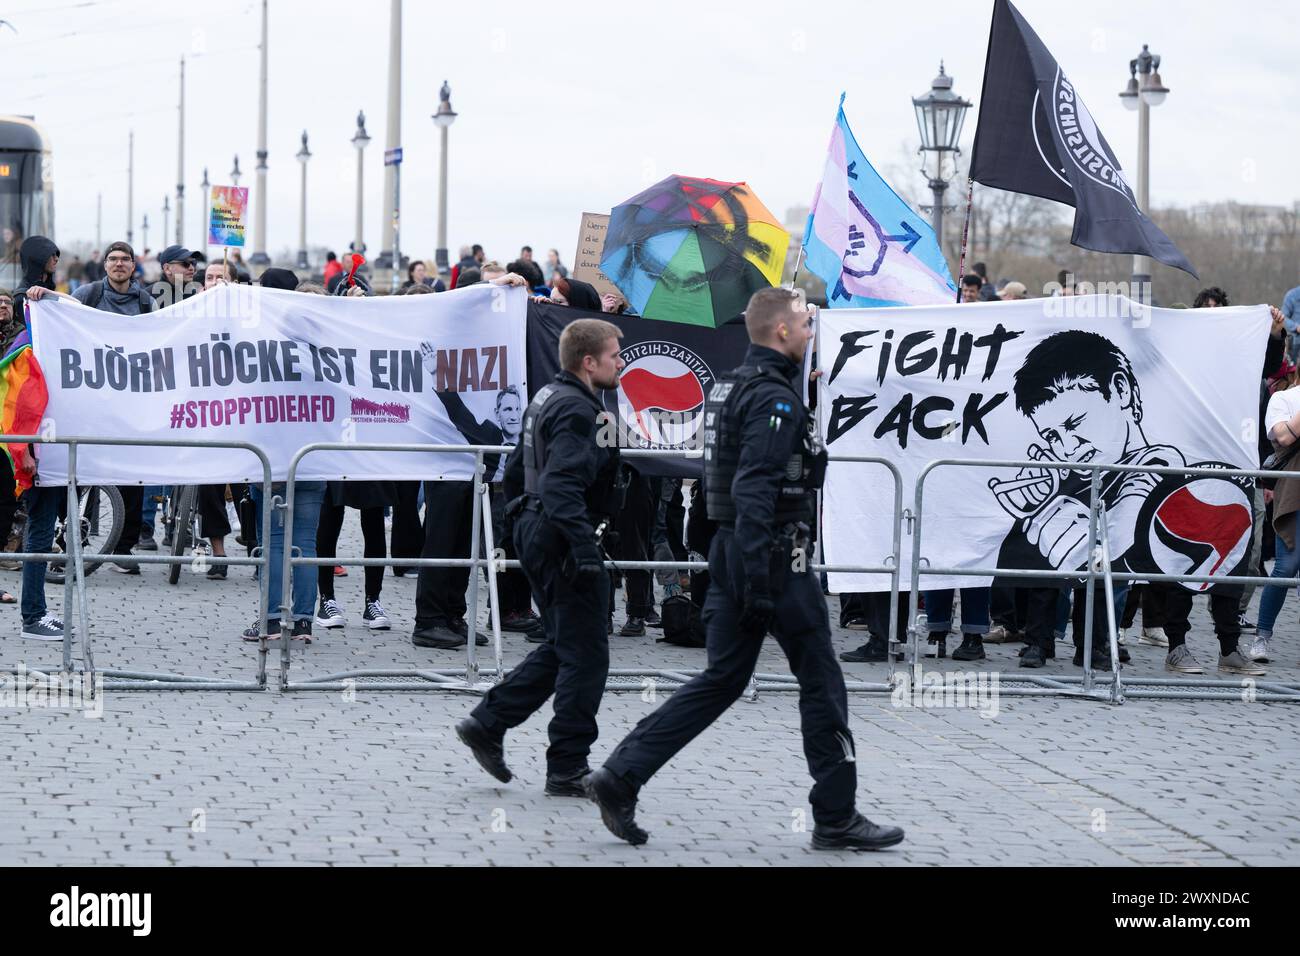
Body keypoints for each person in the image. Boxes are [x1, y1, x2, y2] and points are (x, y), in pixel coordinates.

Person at [584, 287, 904, 852]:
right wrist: (761, 579)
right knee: (823, 681)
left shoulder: (730, 385)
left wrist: (734, 562)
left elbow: (724, 483)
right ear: (781, 331)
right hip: (776, 554)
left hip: (737, 549)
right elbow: (754, 485)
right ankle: (835, 815)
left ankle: (621, 774)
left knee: (722, 679)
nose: (811, 333)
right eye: (805, 324)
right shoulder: (773, 398)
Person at [453, 317, 625, 797]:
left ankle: (489, 721)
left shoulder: (553, 396)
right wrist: (584, 548)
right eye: (613, 355)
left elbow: (532, 473)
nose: (620, 363)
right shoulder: (574, 409)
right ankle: (567, 766)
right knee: (586, 657)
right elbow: (560, 485)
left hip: (540, 530)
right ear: (588, 362)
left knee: (564, 645)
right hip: (561, 537)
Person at [69, 242, 156, 573]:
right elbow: (62, 316)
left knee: (133, 475)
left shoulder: (146, 302)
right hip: (92, 397)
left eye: (125, 260)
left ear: (134, 266)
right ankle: (71, 535)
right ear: (104, 265)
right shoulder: (89, 295)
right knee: (81, 470)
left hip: (131, 400)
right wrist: (41, 294)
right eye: (113, 259)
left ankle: (123, 547)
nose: (119, 264)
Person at [12, 236, 66, 639]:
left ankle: (37, 611)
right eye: (51, 256)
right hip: (34, 438)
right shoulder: (24, 305)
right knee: (40, 526)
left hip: (48, 433)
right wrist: (26, 446)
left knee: (44, 524)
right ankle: (33, 615)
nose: (54, 261)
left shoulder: (45, 299)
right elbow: (23, 392)